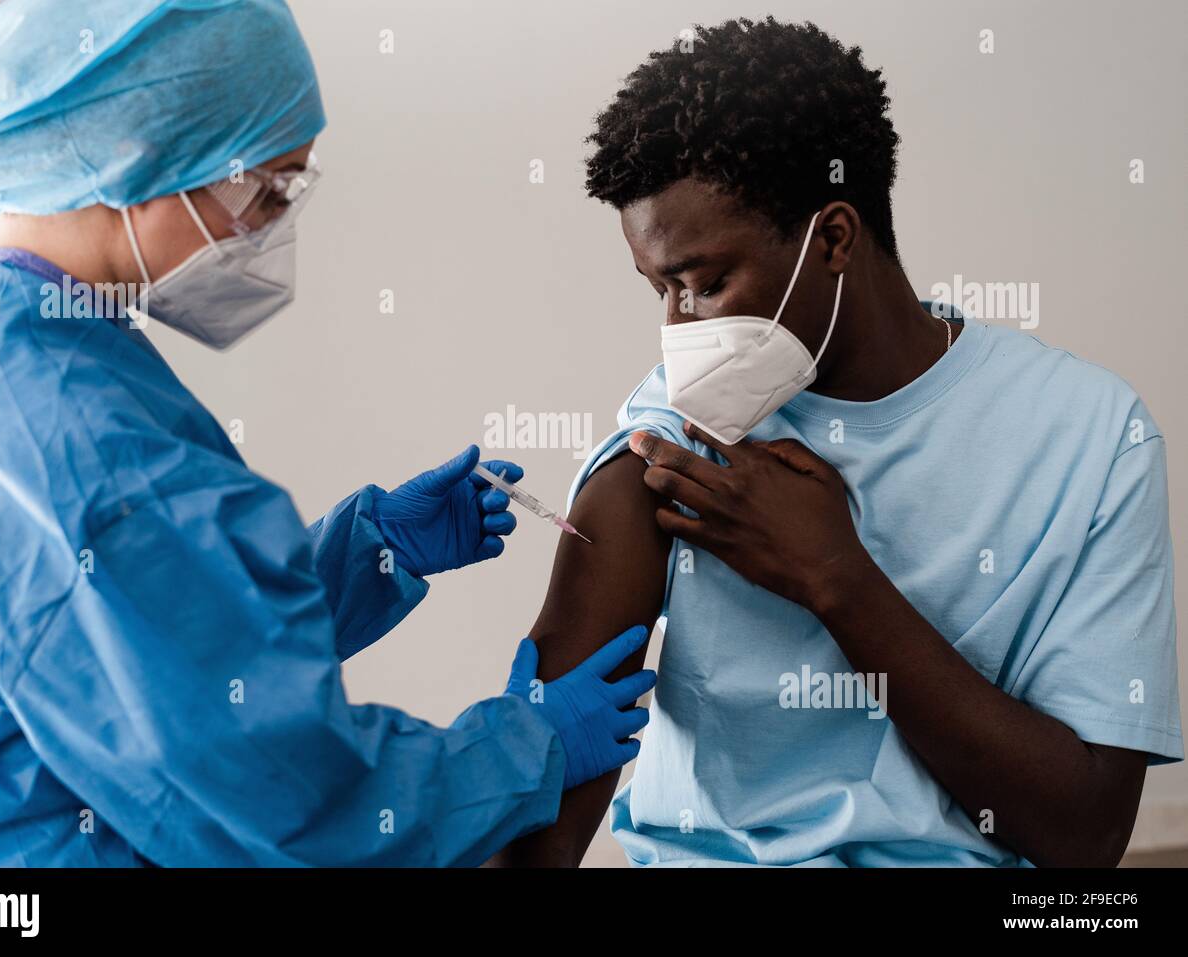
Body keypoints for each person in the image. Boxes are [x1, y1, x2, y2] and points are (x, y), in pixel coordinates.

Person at [0, 0, 654, 867]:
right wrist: (526, 749)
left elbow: (141, 641)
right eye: (266, 189)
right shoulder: (77, 437)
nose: (270, 229)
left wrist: (371, 552)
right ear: (142, 155)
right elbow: (294, 806)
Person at [490, 17, 1181, 867]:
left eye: (705, 284)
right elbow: (533, 837)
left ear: (834, 237)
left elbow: (1084, 839)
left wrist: (837, 579)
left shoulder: (1092, 436)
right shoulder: (670, 441)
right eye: (658, 289)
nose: (676, 329)